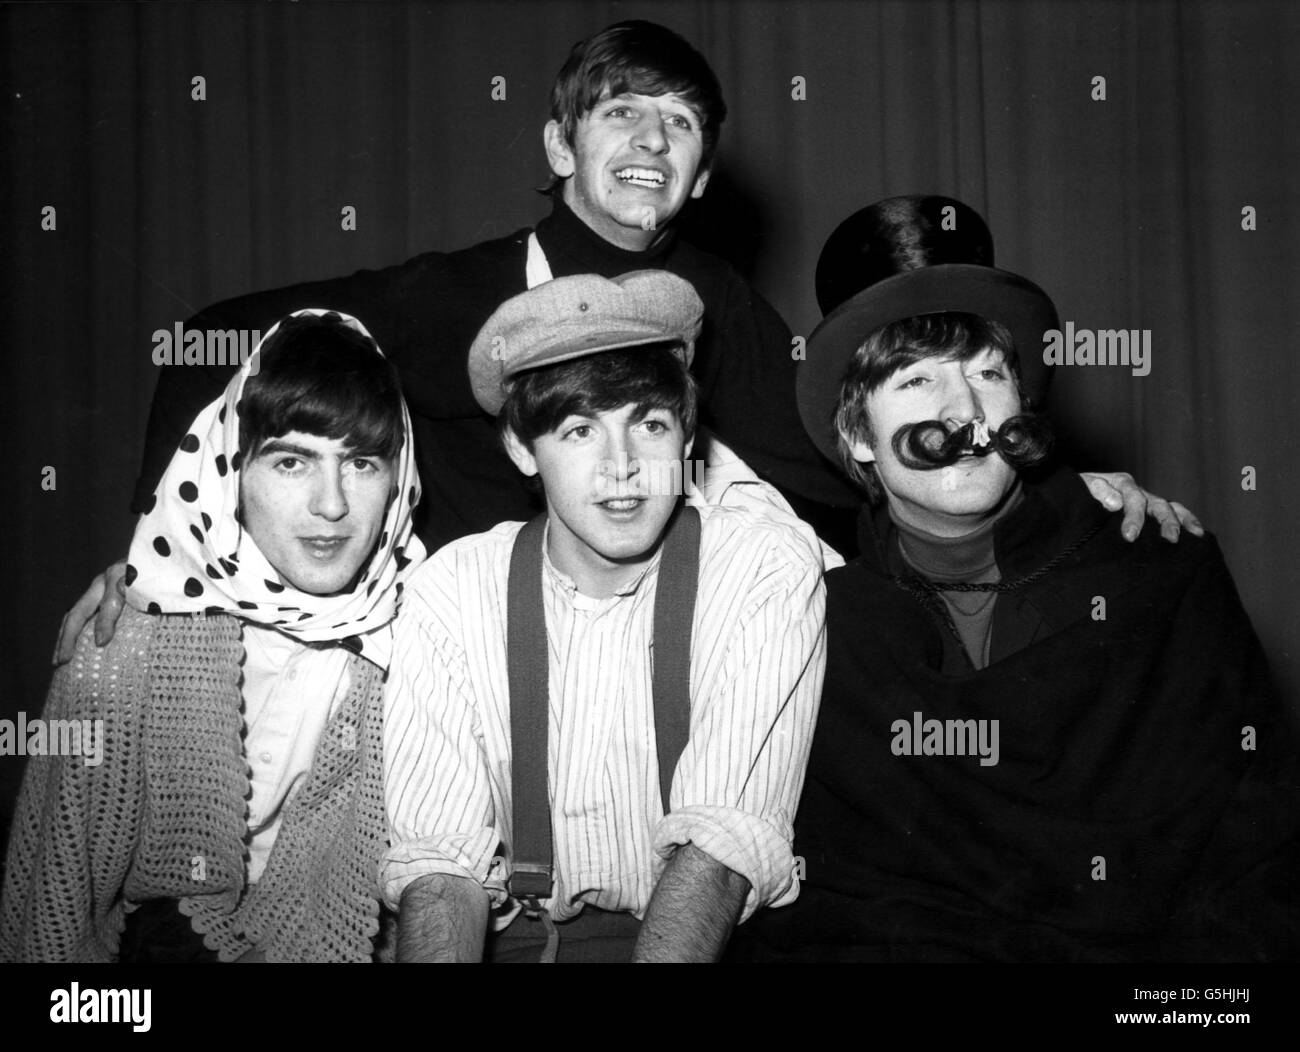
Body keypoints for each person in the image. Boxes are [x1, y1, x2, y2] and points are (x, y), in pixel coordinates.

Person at [55, 20, 1186, 661]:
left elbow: (841, 461)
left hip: (653, 671)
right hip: (456, 675)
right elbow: (213, 339)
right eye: (621, 113)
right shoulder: (458, 292)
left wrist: (1038, 485)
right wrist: (164, 566)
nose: (652, 140)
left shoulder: (717, 301)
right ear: (560, 143)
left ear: (702, 168)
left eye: (681, 122)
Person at [731, 199, 1300, 962]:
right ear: (859, 437)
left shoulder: (1161, 568)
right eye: (915, 380)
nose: (963, 409)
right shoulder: (824, 630)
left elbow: (1258, 857)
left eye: (988, 373)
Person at [382, 271, 825, 963]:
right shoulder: (452, 587)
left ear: (686, 439)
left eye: (648, 424)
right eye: (580, 430)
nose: (623, 467)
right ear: (522, 449)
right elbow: (441, 871)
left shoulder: (761, 565)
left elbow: (719, 848)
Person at [1, 310, 425, 962]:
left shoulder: (429, 638)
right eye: (292, 461)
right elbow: (51, 909)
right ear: (231, 472)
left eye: (363, 463)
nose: (332, 504)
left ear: (398, 481)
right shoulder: (128, 639)